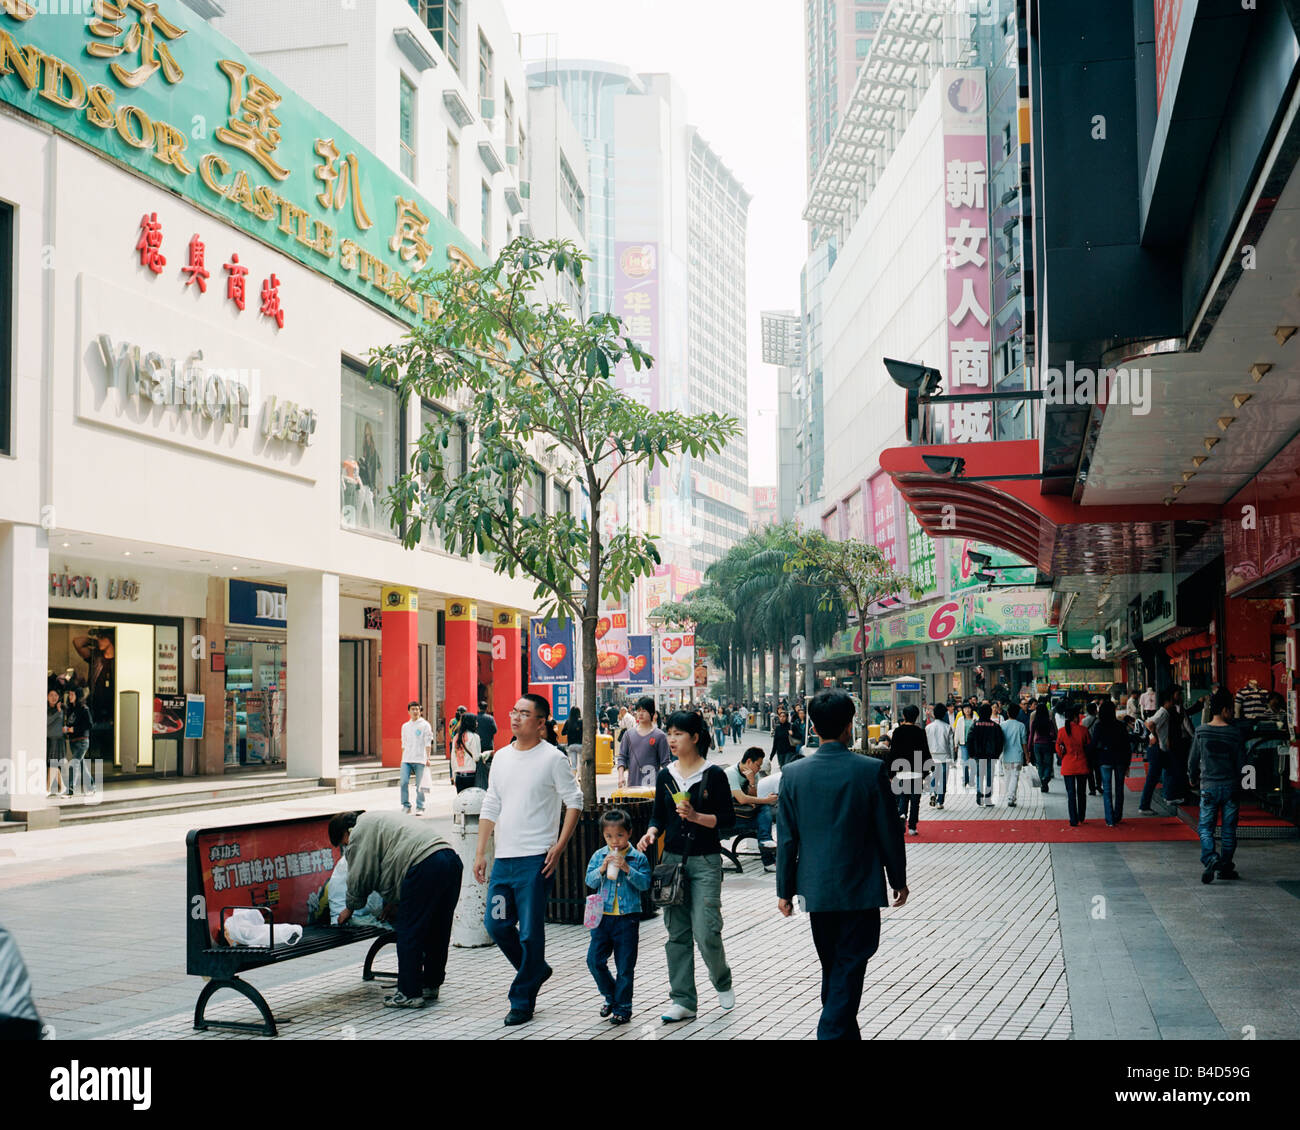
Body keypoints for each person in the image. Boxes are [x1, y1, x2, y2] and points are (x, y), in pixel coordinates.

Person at [776, 689, 908, 1040]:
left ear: (814, 728)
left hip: (816, 890)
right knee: (848, 966)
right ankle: (830, 1034)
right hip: (860, 887)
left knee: (834, 967)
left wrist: (784, 890)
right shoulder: (870, 770)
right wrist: (898, 878)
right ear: (849, 726)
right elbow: (889, 830)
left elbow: (787, 838)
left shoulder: (793, 774)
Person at [474, 693, 584, 1026]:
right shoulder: (502, 757)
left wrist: (559, 845)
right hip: (504, 860)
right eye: (513, 711)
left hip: (536, 859)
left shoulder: (553, 759)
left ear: (541, 723)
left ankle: (522, 1000)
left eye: (524, 713)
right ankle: (535, 968)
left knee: (530, 933)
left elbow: (574, 800)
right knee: (496, 924)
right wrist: (481, 851)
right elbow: (491, 803)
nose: (515, 717)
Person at [637, 709, 735, 1023]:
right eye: (670, 733)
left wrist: (695, 817)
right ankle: (683, 1000)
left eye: (678, 733)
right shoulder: (667, 775)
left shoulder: (713, 774)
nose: (672, 739)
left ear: (695, 737)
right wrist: (651, 832)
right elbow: (658, 816)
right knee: (676, 933)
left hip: (705, 861)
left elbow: (727, 820)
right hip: (671, 862)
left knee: (707, 930)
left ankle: (722, 981)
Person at [329, 810, 463, 1009]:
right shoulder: (378, 821)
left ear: (347, 832)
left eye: (343, 843)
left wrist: (349, 908)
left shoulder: (359, 832)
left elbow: (361, 875)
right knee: (438, 928)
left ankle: (409, 993)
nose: (347, 847)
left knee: (409, 931)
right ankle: (430, 984)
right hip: (450, 860)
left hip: (425, 865)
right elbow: (397, 863)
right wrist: (394, 902)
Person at [585, 809, 653, 1024]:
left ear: (629, 833)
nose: (615, 841)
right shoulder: (599, 856)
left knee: (625, 966)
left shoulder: (637, 857)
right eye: (609, 836)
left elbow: (645, 884)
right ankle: (611, 996)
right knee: (594, 961)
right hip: (603, 917)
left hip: (627, 919)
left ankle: (623, 1008)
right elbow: (590, 882)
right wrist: (603, 868)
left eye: (620, 835)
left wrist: (627, 868)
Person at [1187, 688, 1249, 883]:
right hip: (1231, 787)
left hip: (1209, 787)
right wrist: (1248, 784)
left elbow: (1193, 759)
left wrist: (1192, 777)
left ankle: (1211, 858)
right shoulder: (1235, 733)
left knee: (1205, 827)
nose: (1231, 713)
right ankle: (1225, 867)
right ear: (1224, 710)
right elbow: (1243, 763)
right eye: (1230, 710)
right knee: (1229, 829)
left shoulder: (1201, 731)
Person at [726, 746, 778, 865]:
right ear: (749, 761)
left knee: (765, 813)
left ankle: (766, 843)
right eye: (758, 765)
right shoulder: (731, 773)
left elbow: (754, 797)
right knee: (764, 819)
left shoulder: (752, 774)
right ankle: (768, 860)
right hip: (729, 818)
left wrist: (752, 783)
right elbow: (742, 799)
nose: (759, 769)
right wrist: (767, 800)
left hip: (742, 813)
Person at [887, 704, 928, 836]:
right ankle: (912, 826)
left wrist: (890, 773)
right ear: (916, 717)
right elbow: (925, 752)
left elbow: (893, 753)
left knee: (903, 797)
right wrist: (926, 771)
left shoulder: (897, 732)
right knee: (915, 801)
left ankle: (902, 815)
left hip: (901, 771)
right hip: (916, 771)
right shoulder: (920, 732)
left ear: (904, 716)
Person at [1090, 698, 1131, 826]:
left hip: (1104, 759)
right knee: (1119, 789)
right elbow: (1127, 745)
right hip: (1119, 760)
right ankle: (1118, 815)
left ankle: (1110, 819)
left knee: (1107, 790)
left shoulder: (1099, 726)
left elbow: (1093, 744)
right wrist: (1128, 763)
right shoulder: (1120, 725)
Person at [616, 696, 671, 789]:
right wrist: (621, 776)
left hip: (653, 789)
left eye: (644, 711)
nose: (640, 714)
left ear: (652, 713)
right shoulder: (628, 735)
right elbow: (622, 758)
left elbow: (665, 762)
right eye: (638, 710)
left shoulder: (660, 736)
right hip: (633, 787)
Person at [1139, 687, 1178, 814]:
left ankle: (1170, 796)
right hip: (1158, 750)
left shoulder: (1164, 712)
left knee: (1171, 770)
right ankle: (1144, 806)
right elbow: (1149, 723)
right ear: (1170, 699)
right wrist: (1153, 736)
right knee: (1152, 778)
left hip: (1161, 749)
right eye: (1177, 695)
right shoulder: (1163, 713)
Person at [1055, 702, 1090, 826]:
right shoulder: (1083, 730)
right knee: (1081, 792)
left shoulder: (1062, 731)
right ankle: (1081, 816)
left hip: (1068, 765)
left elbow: (1058, 747)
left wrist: (1062, 754)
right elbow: (1088, 746)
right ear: (1075, 717)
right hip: (1081, 764)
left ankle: (1073, 819)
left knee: (1071, 794)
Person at [398, 701, 433, 815]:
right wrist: (403, 756)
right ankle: (406, 805)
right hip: (406, 759)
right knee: (403, 782)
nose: (415, 711)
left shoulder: (425, 725)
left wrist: (428, 758)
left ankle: (420, 806)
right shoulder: (405, 726)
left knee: (420, 785)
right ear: (408, 711)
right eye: (412, 709)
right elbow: (403, 742)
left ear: (420, 710)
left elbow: (428, 742)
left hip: (420, 759)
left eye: (417, 709)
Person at [966, 703, 1003, 806]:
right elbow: (1000, 742)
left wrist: (971, 754)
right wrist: (997, 754)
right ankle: (987, 798)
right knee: (989, 776)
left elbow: (969, 739)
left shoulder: (975, 725)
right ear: (989, 713)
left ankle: (979, 793)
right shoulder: (995, 726)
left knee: (979, 775)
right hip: (991, 755)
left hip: (978, 755)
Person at [62, 688, 92, 796]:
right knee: (81, 765)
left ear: (78, 696)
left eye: (72, 694)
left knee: (73, 764)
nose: (70, 696)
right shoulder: (70, 709)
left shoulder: (84, 709)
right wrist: (66, 729)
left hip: (82, 741)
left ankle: (71, 789)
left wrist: (74, 729)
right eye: (69, 694)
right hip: (73, 741)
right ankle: (91, 786)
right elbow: (70, 723)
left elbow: (89, 724)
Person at [925, 702, 954, 810]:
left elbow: (926, 743)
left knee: (934, 775)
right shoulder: (947, 727)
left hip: (932, 754)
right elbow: (951, 745)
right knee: (943, 779)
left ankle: (932, 792)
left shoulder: (928, 727)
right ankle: (940, 801)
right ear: (943, 714)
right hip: (944, 755)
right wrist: (952, 758)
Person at [1000, 703, 1028, 807]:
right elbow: (1024, 742)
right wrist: (1027, 756)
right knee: (1015, 776)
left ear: (1007, 713)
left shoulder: (1002, 725)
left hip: (1006, 755)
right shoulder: (1021, 726)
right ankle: (1011, 797)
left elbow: (1000, 741)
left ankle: (1010, 796)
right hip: (1018, 755)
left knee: (1008, 777)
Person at [1028, 699, 1057, 794]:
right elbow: (1053, 734)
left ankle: (1042, 782)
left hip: (1037, 745)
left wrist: (1029, 748)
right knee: (1048, 764)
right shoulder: (1049, 722)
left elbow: (1031, 735)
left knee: (1039, 764)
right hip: (1047, 744)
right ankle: (1045, 780)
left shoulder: (1035, 722)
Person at [450, 713, 481, 793]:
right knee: (471, 801)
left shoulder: (456, 737)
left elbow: (453, 758)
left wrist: (453, 776)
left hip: (459, 775)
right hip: (471, 774)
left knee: (462, 801)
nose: (477, 723)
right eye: (475, 721)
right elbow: (476, 757)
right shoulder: (474, 736)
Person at [46, 689, 67, 797]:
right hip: (48, 741)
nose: (53, 697)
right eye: (51, 695)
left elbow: (49, 722)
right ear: (47, 697)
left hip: (57, 740)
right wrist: (57, 713)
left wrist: (59, 712)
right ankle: (62, 786)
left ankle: (47, 788)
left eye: (56, 695)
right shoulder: (46, 709)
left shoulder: (62, 709)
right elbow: (46, 721)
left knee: (52, 764)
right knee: (52, 764)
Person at [953, 703, 975, 789]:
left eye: (969, 708)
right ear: (963, 710)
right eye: (965, 708)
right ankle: (966, 780)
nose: (967, 710)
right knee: (965, 762)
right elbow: (957, 732)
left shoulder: (975, 719)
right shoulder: (960, 720)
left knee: (973, 763)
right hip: (963, 744)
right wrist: (955, 744)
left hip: (973, 744)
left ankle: (972, 779)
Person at [1081, 700, 1101, 796]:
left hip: (1087, 747)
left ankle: (1092, 788)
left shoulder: (1083, 721)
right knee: (1098, 768)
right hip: (1097, 747)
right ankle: (1099, 785)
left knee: (1089, 769)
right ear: (1095, 710)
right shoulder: (1098, 720)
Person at [770, 704, 798, 769]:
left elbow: (799, 737)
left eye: (784, 716)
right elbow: (775, 742)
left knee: (786, 767)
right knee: (782, 768)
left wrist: (792, 734)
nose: (782, 718)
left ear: (787, 717)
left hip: (789, 752)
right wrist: (772, 755)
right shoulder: (778, 728)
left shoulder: (791, 726)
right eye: (781, 716)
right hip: (780, 753)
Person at [559, 706, 584, 775]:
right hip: (580, 744)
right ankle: (580, 776)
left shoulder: (568, 722)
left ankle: (574, 779)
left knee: (573, 764)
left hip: (571, 745)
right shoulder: (581, 721)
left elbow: (563, 733)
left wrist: (569, 732)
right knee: (582, 762)